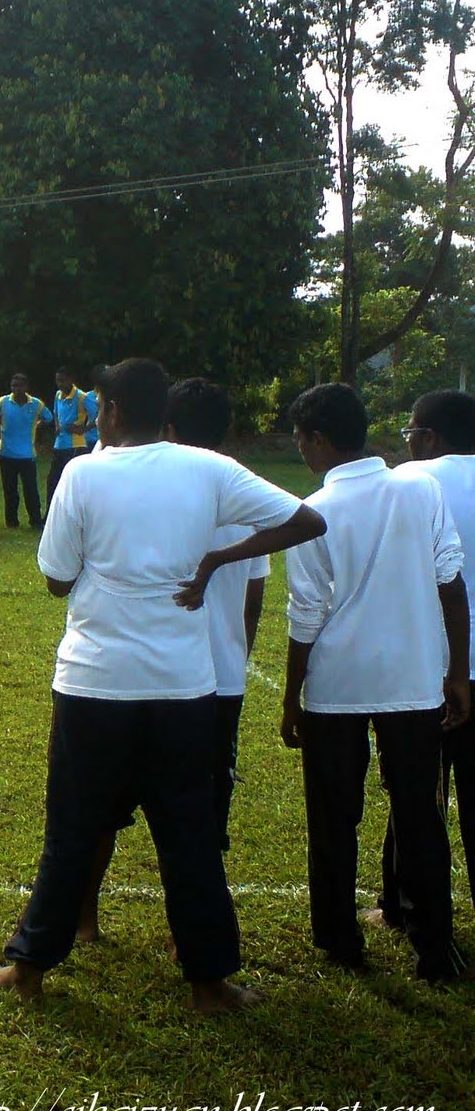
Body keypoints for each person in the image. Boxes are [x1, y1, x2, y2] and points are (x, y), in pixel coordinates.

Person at [0, 358, 324, 1013]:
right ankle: (208, 981)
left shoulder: (84, 472)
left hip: (92, 685)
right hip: (183, 689)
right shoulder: (209, 469)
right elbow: (308, 520)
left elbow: (55, 577)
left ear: (108, 411)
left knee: (73, 830)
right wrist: (217, 557)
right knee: (190, 835)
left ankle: (28, 969)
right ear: (158, 409)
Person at [282, 382, 469, 980]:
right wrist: (457, 671)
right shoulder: (420, 490)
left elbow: (306, 615)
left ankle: (340, 939)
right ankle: (433, 947)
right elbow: (451, 583)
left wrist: (292, 694)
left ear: (317, 439)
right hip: (415, 680)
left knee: (334, 816)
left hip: (337, 687)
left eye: (301, 439)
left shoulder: (313, 511)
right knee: (418, 812)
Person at [77, 378, 273, 943]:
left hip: (131, 674)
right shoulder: (240, 486)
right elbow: (254, 596)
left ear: (165, 428)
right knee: (199, 818)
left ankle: (85, 919)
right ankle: (192, 936)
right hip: (214, 682)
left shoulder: (128, 480)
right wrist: (236, 654)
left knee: (102, 805)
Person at [397, 389, 475, 915]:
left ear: (429, 437)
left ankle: (405, 908)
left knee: (414, 796)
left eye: (410, 434)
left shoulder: (409, 484)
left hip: (428, 663)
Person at [0, 374, 53, 528]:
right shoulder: (2, 403)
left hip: (27, 454)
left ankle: (35, 521)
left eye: (19, 386)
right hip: (6, 453)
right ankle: (11, 522)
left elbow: (48, 418)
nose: (16, 389)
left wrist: (37, 430)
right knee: (10, 490)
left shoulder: (35, 404)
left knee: (31, 490)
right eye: (13, 386)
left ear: (26, 388)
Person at [46, 367, 88, 506]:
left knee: (72, 483)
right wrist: (57, 425)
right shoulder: (58, 395)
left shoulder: (81, 396)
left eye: (63, 381)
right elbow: (55, 412)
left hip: (75, 445)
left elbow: (97, 414)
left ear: (70, 380)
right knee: (52, 481)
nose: (60, 384)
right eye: (57, 381)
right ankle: (49, 514)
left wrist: (84, 428)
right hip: (60, 444)